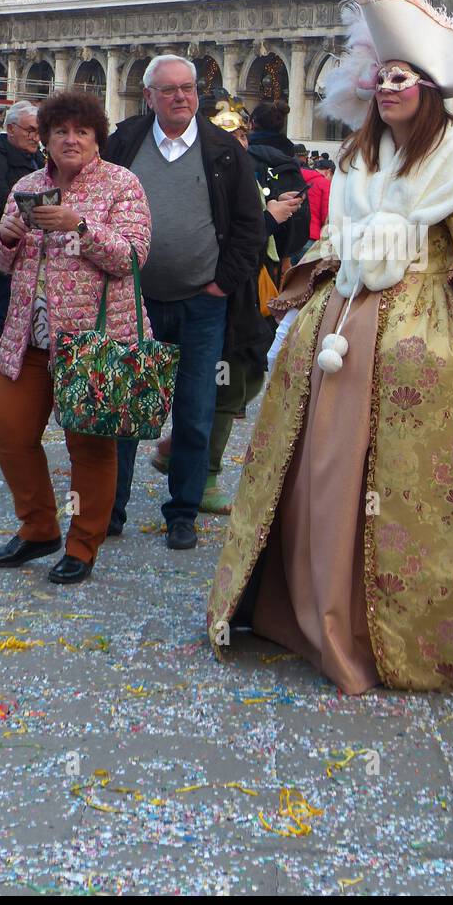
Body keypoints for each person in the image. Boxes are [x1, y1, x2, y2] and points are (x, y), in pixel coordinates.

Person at [208, 0, 453, 709]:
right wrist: (308, 285)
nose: (391, 86)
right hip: (339, 331)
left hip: (418, 335)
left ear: (430, 91)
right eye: (384, 75)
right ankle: (303, 609)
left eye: (406, 77)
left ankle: (389, 625)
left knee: (393, 477)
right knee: (324, 470)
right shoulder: (358, 160)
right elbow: (332, 240)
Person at [0, 91, 152, 584]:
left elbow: (132, 258)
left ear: (97, 137)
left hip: (91, 342)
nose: (71, 140)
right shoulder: (28, 183)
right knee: (9, 433)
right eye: (61, 132)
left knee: (90, 448)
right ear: (47, 139)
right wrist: (9, 236)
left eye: (81, 131)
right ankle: (38, 528)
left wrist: (79, 226)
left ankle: (83, 544)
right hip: (28, 338)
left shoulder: (122, 184)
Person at [105, 55, 264, 550]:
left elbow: (248, 226)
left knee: (195, 411)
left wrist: (222, 282)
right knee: (126, 408)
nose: (180, 97)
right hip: (135, 301)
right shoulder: (125, 142)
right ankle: (111, 510)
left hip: (202, 305)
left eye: (188, 88)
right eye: (168, 89)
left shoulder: (224, 150)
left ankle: (182, 513)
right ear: (148, 96)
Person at [0, 101, 44, 416]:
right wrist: (27, 211)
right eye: (30, 130)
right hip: (7, 248)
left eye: (39, 131)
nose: (35, 136)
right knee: (4, 313)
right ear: (11, 129)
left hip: (39, 252)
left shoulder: (38, 157)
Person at [246, 101, 311, 262]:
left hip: (254, 247)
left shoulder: (247, 156)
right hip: (288, 242)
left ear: (252, 123)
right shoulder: (290, 157)